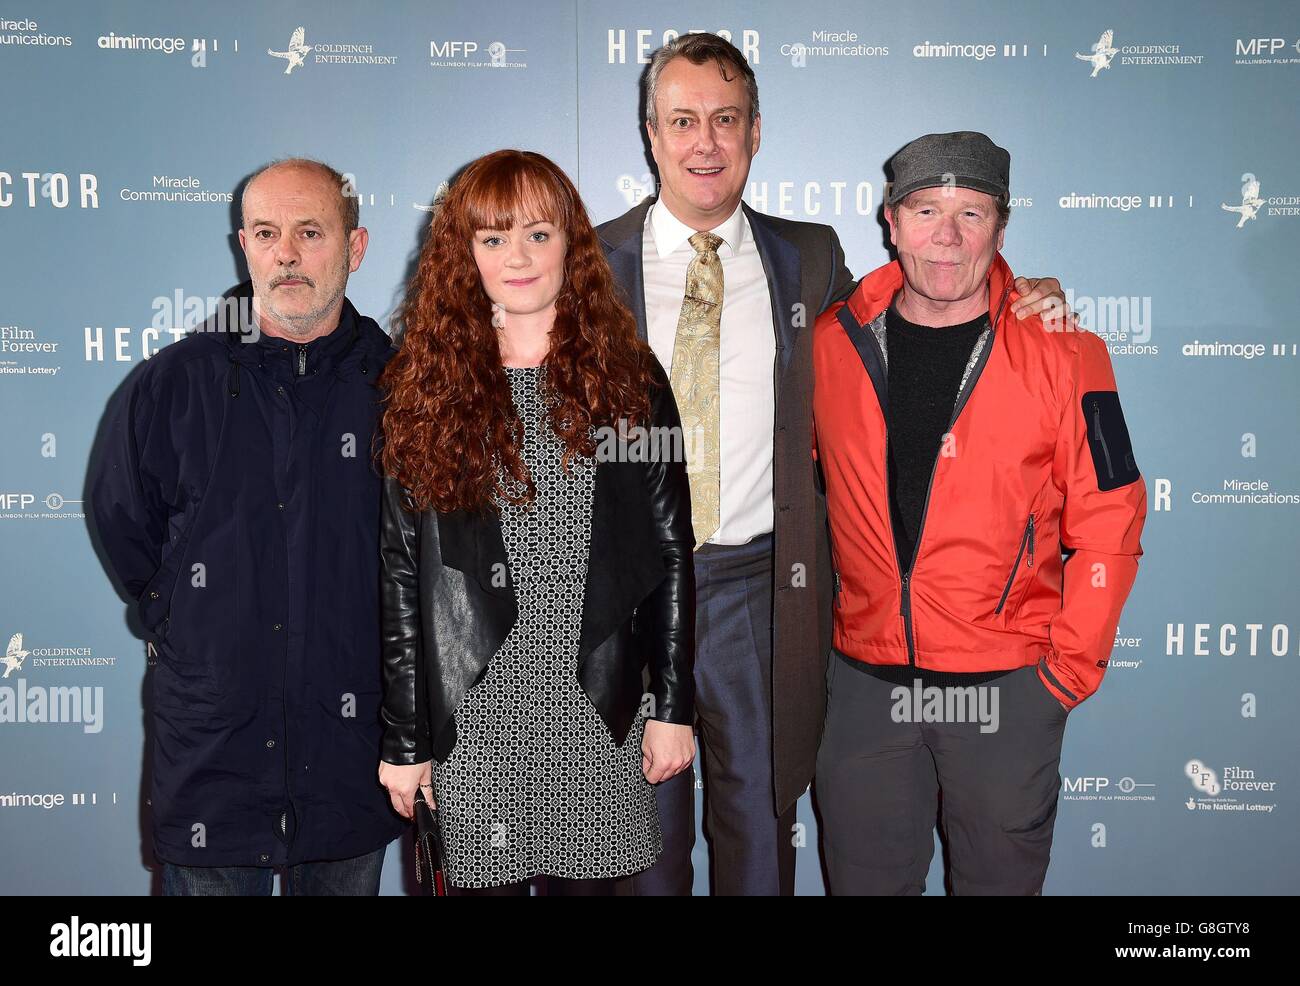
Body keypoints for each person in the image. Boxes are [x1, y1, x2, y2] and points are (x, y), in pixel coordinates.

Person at [597, 32, 1072, 895]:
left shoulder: (808, 259)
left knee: (758, 825)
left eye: (726, 120)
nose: (706, 142)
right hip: (623, 590)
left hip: (756, 588)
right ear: (651, 132)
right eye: (683, 121)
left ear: (756, 132)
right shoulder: (585, 263)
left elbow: (928, 295)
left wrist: (1019, 289)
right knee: (633, 844)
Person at [811, 132, 1147, 894]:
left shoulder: (1067, 350)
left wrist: (1064, 675)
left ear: (1002, 226)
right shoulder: (830, 345)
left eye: (972, 212)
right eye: (926, 209)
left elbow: (1112, 512)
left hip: (1006, 691)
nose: (947, 236)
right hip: (865, 690)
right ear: (890, 221)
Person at [376, 149, 696, 896]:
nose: (516, 257)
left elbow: (671, 550)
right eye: (492, 239)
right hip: (473, 721)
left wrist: (672, 705)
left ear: (571, 246)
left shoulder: (632, 379)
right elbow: (397, 568)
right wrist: (404, 737)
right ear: (465, 255)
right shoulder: (423, 388)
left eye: (537, 235)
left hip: (594, 706)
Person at [88, 158, 404, 895]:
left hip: (350, 750)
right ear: (244, 245)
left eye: (309, 232)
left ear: (355, 247)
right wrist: (181, 615)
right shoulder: (176, 381)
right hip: (213, 751)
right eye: (267, 233)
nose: (287, 254)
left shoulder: (400, 388)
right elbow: (122, 521)